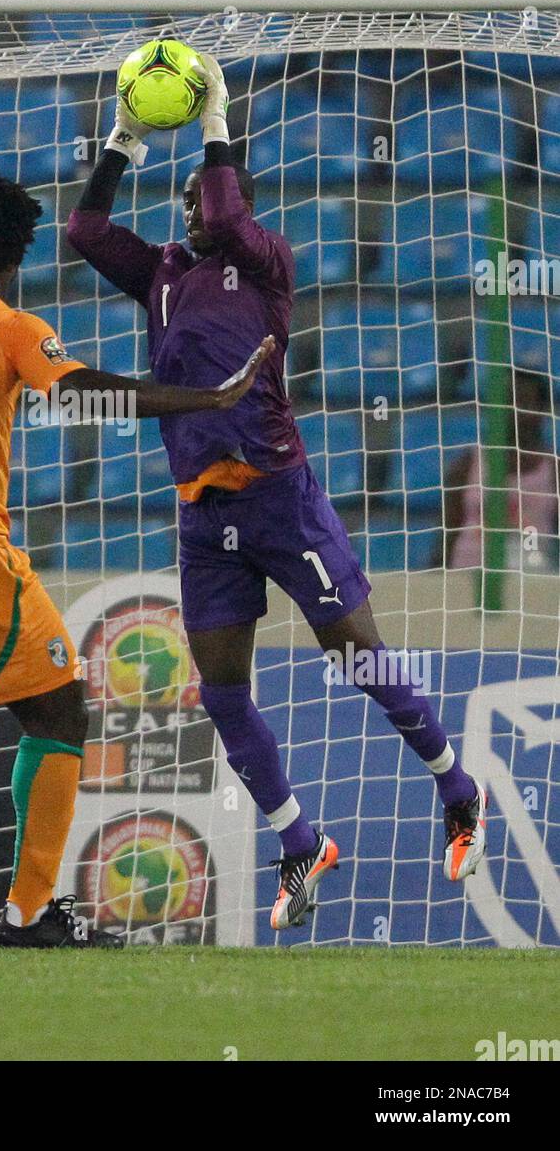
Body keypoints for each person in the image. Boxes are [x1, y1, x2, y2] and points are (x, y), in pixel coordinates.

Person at [66, 56, 488, 930]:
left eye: (205, 196)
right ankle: (302, 844)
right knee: (220, 689)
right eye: (185, 199)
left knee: (356, 658)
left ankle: (458, 787)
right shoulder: (163, 274)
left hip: (279, 495)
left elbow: (224, 207)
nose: (194, 209)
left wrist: (214, 109)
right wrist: (124, 139)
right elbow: (82, 229)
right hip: (204, 510)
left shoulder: (266, 264)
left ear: (241, 206)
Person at [0, 169, 273, 948]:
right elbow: (81, 395)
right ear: (16, 257)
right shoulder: (8, 324)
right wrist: (203, 399)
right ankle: (29, 913)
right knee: (58, 711)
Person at [442, 370, 559, 571]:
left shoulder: (554, 470)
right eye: (506, 401)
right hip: (465, 579)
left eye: (522, 401)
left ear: (541, 410)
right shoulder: (466, 465)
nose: (512, 410)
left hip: (534, 581)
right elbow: (446, 537)